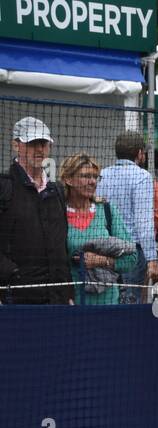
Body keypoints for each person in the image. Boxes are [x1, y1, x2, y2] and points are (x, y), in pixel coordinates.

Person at [0, 116, 72, 304]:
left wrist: (68, 291)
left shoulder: (56, 190)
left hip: (57, 298)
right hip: (16, 298)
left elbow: (61, 245)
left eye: (43, 143)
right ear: (16, 145)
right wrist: (10, 273)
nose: (40, 149)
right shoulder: (4, 187)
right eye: (32, 143)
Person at [61, 154, 137, 306]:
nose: (93, 182)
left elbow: (132, 258)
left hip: (107, 302)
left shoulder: (107, 211)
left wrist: (102, 260)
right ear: (68, 180)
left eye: (96, 177)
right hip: (70, 301)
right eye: (85, 176)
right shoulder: (58, 212)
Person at [97, 130, 158, 303]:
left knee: (108, 299)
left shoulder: (102, 175)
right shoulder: (142, 177)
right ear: (139, 153)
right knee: (130, 304)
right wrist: (152, 259)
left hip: (105, 248)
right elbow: (144, 222)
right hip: (131, 252)